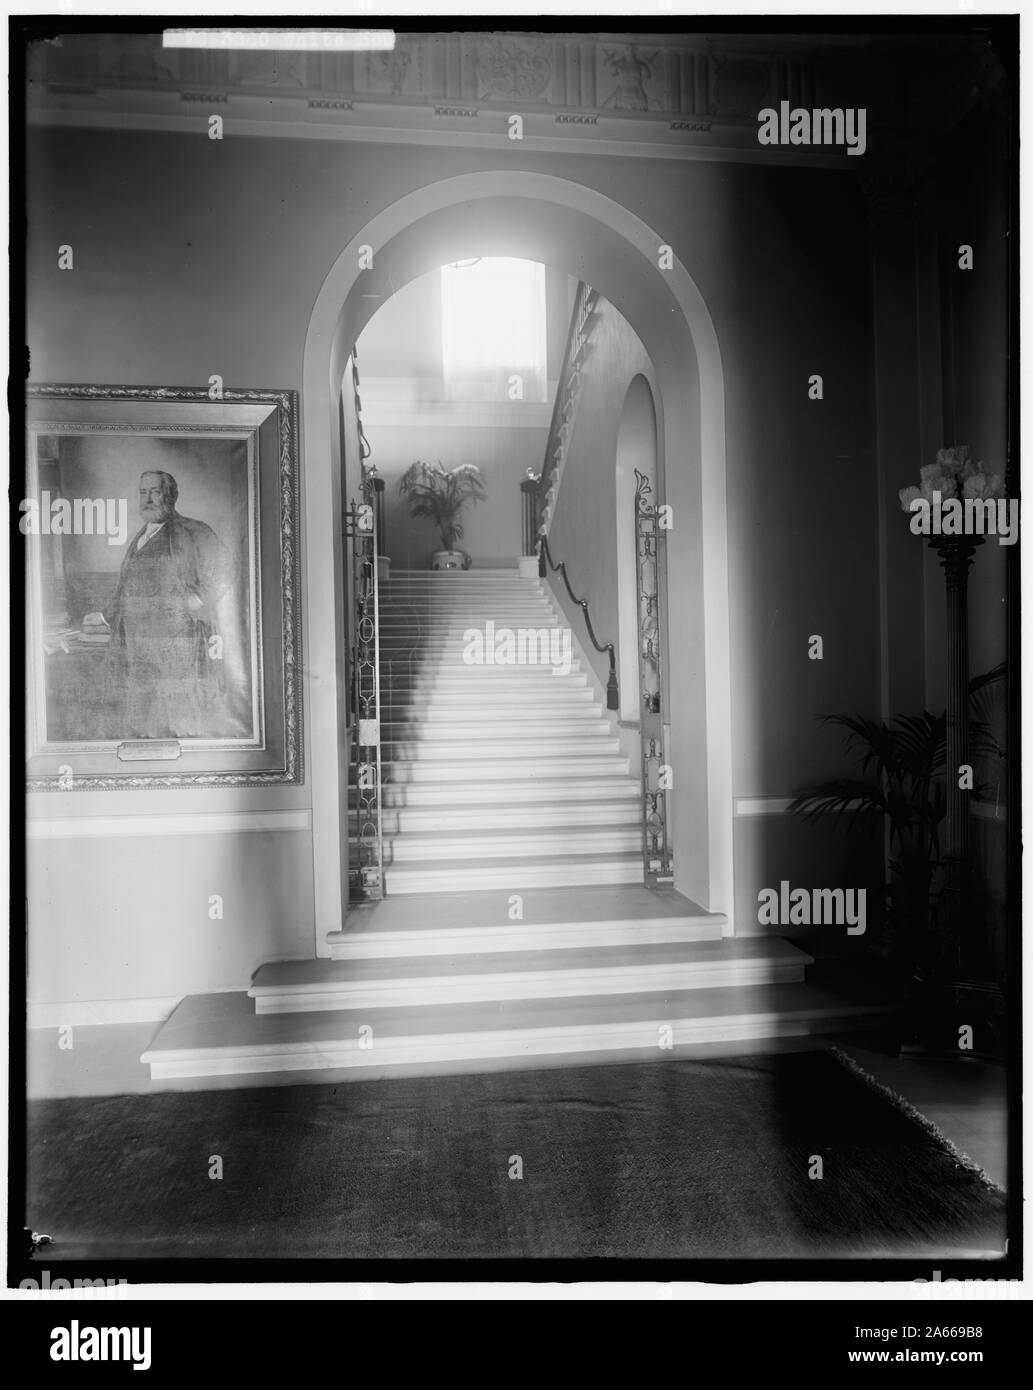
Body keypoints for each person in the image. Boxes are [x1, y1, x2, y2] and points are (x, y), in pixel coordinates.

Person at [84, 470, 249, 739]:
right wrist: (104, 617)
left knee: (174, 719)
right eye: (142, 493)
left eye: (155, 492)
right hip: (137, 649)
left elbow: (227, 568)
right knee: (141, 721)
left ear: (170, 496)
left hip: (174, 649)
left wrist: (198, 599)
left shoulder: (193, 531)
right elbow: (128, 588)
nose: (147, 499)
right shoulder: (141, 536)